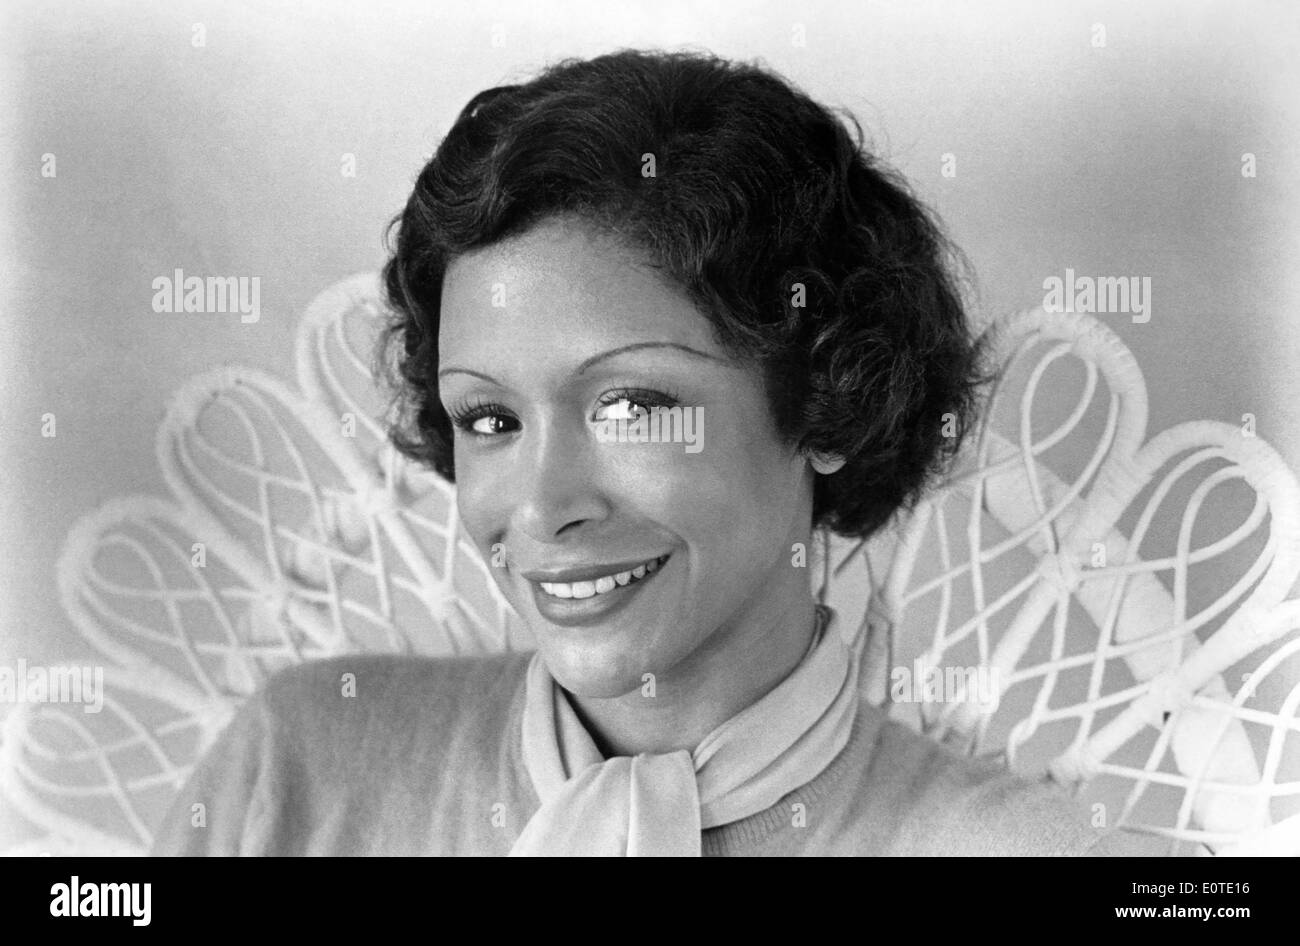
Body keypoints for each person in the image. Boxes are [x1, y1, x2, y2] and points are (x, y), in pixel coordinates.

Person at [151, 48, 1144, 856]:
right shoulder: (297, 768)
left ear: (828, 410)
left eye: (631, 404)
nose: (541, 506)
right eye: (490, 419)